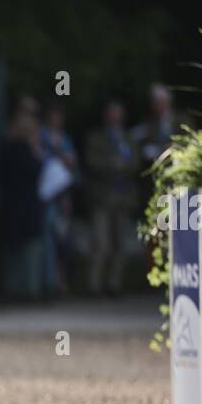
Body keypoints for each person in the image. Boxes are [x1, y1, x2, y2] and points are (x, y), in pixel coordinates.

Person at [84, 100, 138, 296]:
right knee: (101, 243)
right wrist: (112, 165)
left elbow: (136, 162)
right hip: (102, 197)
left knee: (119, 244)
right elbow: (91, 162)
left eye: (118, 113)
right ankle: (94, 285)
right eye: (112, 113)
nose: (115, 117)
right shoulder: (97, 138)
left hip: (123, 197)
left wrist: (124, 166)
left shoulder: (128, 138)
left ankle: (114, 285)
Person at [0, 101, 44, 299]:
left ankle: (12, 288)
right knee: (30, 249)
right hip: (27, 206)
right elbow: (36, 171)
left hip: (9, 205)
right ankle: (29, 289)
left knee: (13, 250)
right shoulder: (26, 152)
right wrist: (37, 153)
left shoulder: (5, 150)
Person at [38, 106, 78, 295]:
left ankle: (61, 282)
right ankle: (49, 282)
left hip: (62, 196)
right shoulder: (41, 137)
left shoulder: (65, 139)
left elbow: (72, 166)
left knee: (63, 242)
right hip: (47, 196)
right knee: (49, 242)